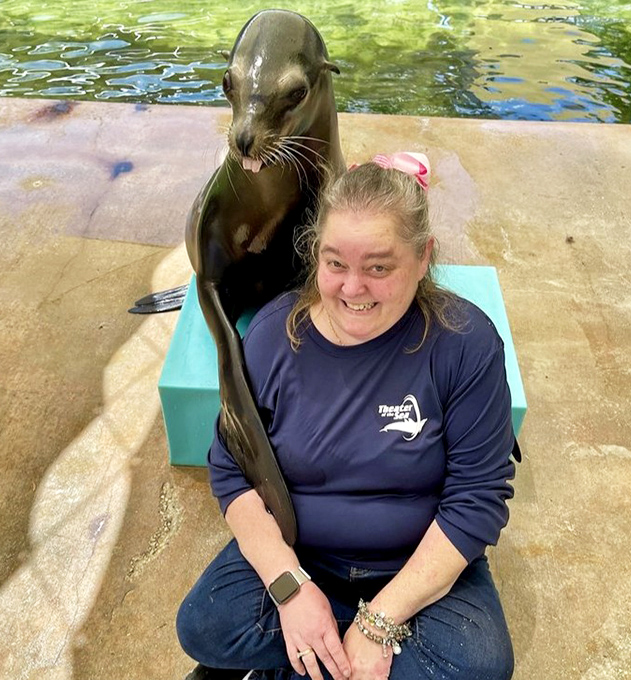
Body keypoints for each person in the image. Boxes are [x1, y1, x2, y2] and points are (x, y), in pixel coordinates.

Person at [176, 152, 518, 680]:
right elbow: (230, 470)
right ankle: (327, 650)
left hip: (416, 570)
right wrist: (290, 590)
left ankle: (307, 660)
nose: (352, 289)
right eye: (335, 263)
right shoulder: (272, 338)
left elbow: (476, 500)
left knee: (476, 665)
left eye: (379, 267)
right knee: (204, 625)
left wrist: (380, 621)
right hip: (304, 556)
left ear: (423, 257)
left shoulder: (465, 345)